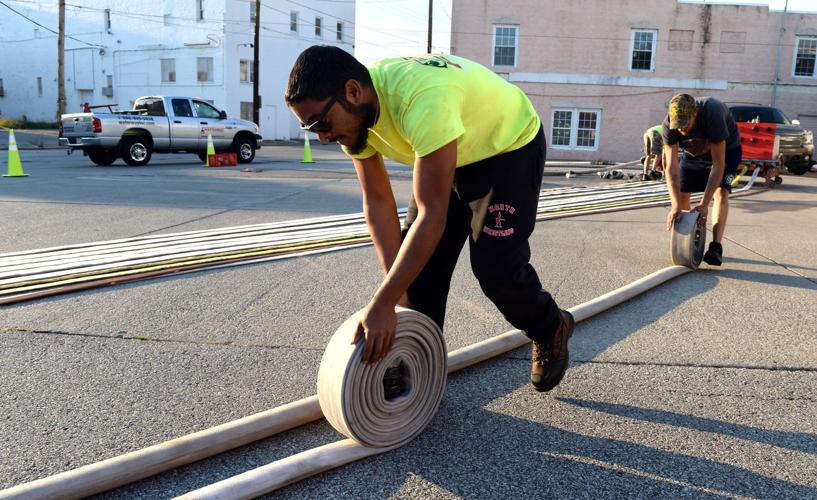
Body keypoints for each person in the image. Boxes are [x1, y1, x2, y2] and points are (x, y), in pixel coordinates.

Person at [285, 46, 574, 392]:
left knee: (496, 270)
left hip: (506, 146)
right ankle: (416, 367)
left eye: (321, 123)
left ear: (352, 91)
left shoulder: (421, 99)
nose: (322, 137)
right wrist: (395, 292)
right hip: (450, 148)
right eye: (309, 128)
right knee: (416, 277)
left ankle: (550, 327)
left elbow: (431, 213)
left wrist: (382, 302)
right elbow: (377, 201)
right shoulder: (353, 117)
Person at [661, 94, 742, 266]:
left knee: (720, 193)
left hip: (727, 151)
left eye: (686, 125)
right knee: (682, 195)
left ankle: (715, 247)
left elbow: (718, 165)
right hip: (693, 153)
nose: (682, 131)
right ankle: (689, 240)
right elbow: (671, 168)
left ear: (695, 113)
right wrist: (675, 204)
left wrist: (705, 203)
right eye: (679, 127)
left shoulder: (713, 112)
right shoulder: (669, 125)